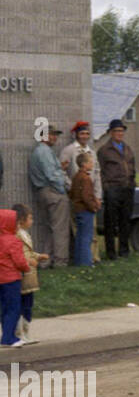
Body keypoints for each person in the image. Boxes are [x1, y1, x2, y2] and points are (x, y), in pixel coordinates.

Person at [28, 125, 71, 267]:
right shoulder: (44, 151)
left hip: (42, 192)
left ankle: (45, 261)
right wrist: (63, 190)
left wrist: (59, 167)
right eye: (51, 135)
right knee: (60, 229)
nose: (54, 138)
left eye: (55, 135)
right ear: (42, 137)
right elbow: (52, 175)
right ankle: (60, 262)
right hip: (53, 191)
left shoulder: (37, 151)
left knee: (50, 228)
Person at [97, 119, 136, 260]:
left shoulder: (127, 148)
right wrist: (106, 188)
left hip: (127, 189)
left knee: (125, 221)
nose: (120, 133)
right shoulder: (104, 150)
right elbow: (99, 171)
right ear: (110, 133)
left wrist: (132, 183)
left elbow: (133, 167)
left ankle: (124, 251)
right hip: (112, 189)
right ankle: (111, 252)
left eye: (121, 131)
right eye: (117, 131)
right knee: (111, 223)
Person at [13, 204, 48, 344]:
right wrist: (30, 261)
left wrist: (38, 256)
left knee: (28, 304)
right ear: (21, 220)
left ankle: (26, 332)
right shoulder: (16, 235)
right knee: (21, 304)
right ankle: (19, 333)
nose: (32, 221)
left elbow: (28, 252)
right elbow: (18, 255)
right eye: (30, 218)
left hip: (30, 275)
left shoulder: (25, 234)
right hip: (23, 274)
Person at [0, 208, 31, 346]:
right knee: (13, 308)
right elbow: (19, 261)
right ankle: (9, 338)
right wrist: (26, 268)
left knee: (4, 308)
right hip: (11, 279)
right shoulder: (13, 241)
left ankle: (5, 334)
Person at [68, 151, 101, 267]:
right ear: (84, 164)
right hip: (86, 210)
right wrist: (94, 207)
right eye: (90, 162)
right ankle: (87, 262)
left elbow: (71, 193)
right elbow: (86, 197)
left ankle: (79, 261)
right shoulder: (86, 178)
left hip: (78, 209)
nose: (92, 164)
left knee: (80, 237)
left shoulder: (76, 177)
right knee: (87, 238)